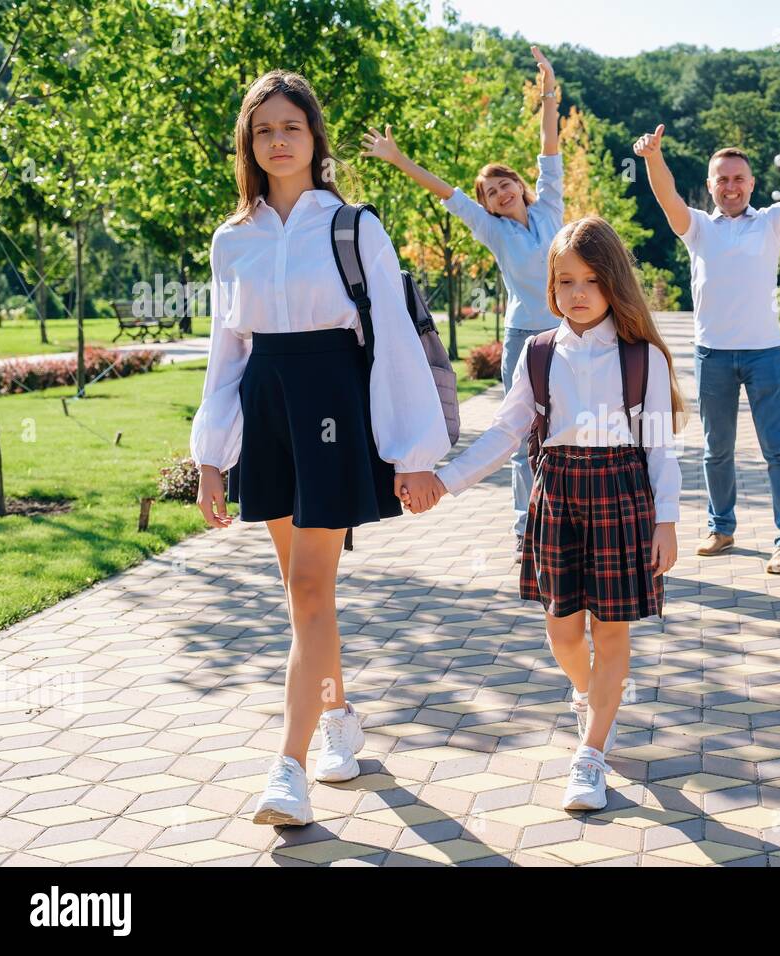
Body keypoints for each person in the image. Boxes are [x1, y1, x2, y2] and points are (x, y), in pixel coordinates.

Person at [191, 70, 449, 827]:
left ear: (314, 137)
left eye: (291, 127)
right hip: (267, 408)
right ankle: (337, 715)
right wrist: (210, 457)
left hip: (332, 403)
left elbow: (392, 338)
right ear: (248, 142)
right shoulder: (231, 239)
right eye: (263, 129)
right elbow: (227, 351)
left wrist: (413, 452)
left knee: (308, 590)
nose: (278, 140)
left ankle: (289, 768)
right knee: (305, 594)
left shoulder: (354, 226)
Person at [421, 217, 685, 812]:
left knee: (610, 629)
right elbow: (506, 431)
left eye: (591, 280)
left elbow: (660, 447)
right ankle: (591, 696)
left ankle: (590, 756)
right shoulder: (539, 353)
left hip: (621, 494)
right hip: (558, 495)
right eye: (566, 281)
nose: (578, 292)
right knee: (562, 630)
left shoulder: (641, 358)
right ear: (551, 286)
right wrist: (445, 480)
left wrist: (666, 521)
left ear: (613, 282)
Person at [362, 45, 563, 563]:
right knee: (522, 436)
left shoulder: (551, 207)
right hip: (524, 339)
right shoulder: (492, 230)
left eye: (504, 184)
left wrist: (548, 93)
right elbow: (446, 192)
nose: (500, 193)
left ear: (519, 185)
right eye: (490, 192)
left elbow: (549, 145)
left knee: (567, 434)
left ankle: (564, 526)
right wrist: (397, 158)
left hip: (569, 336)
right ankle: (525, 531)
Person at [634, 124, 780, 574]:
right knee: (716, 451)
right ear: (711, 185)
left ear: (751, 184)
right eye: (723, 179)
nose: (731, 186)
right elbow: (667, 198)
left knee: (779, 451)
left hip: (763, 355)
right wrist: (653, 158)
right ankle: (721, 528)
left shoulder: (770, 223)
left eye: (739, 178)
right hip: (712, 355)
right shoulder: (698, 228)